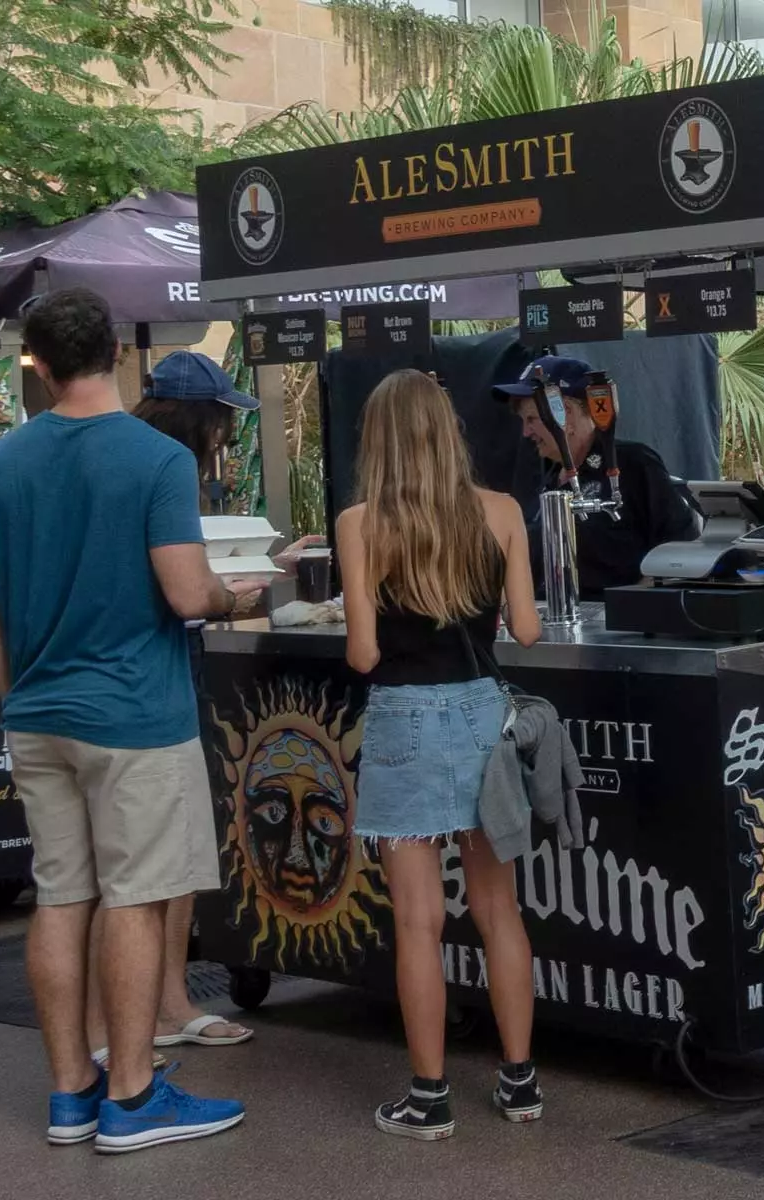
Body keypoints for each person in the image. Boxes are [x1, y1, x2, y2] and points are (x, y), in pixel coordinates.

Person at [0, 288, 263, 1155]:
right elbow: (183, 590)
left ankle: (71, 1093)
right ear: (117, 360)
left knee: (60, 898)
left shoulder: (0, 464)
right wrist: (230, 597)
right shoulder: (155, 458)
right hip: (134, 711)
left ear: (40, 366)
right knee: (133, 899)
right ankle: (132, 1098)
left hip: (38, 712)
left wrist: (15, 686)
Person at [78, 350, 323, 1058]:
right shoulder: (166, 467)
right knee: (166, 853)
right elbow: (186, 594)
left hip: (83, 687)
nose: (226, 436)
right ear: (203, 417)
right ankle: (152, 1019)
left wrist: (260, 569)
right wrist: (235, 596)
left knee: (112, 871)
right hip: (151, 677)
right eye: (223, 420)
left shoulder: (106, 458)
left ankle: (139, 1017)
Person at [337, 369, 543, 1140]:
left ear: (380, 442)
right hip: (485, 717)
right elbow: (524, 629)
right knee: (499, 909)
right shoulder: (501, 511)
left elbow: (362, 654)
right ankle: (520, 1083)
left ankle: (429, 1098)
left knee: (419, 921)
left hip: (403, 723)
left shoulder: (360, 524)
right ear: (448, 433)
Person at [495, 355, 697, 596]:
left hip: (615, 624)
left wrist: (635, 604)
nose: (526, 432)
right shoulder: (546, 477)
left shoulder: (631, 465)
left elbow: (679, 545)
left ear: (564, 413)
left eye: (531, 420)